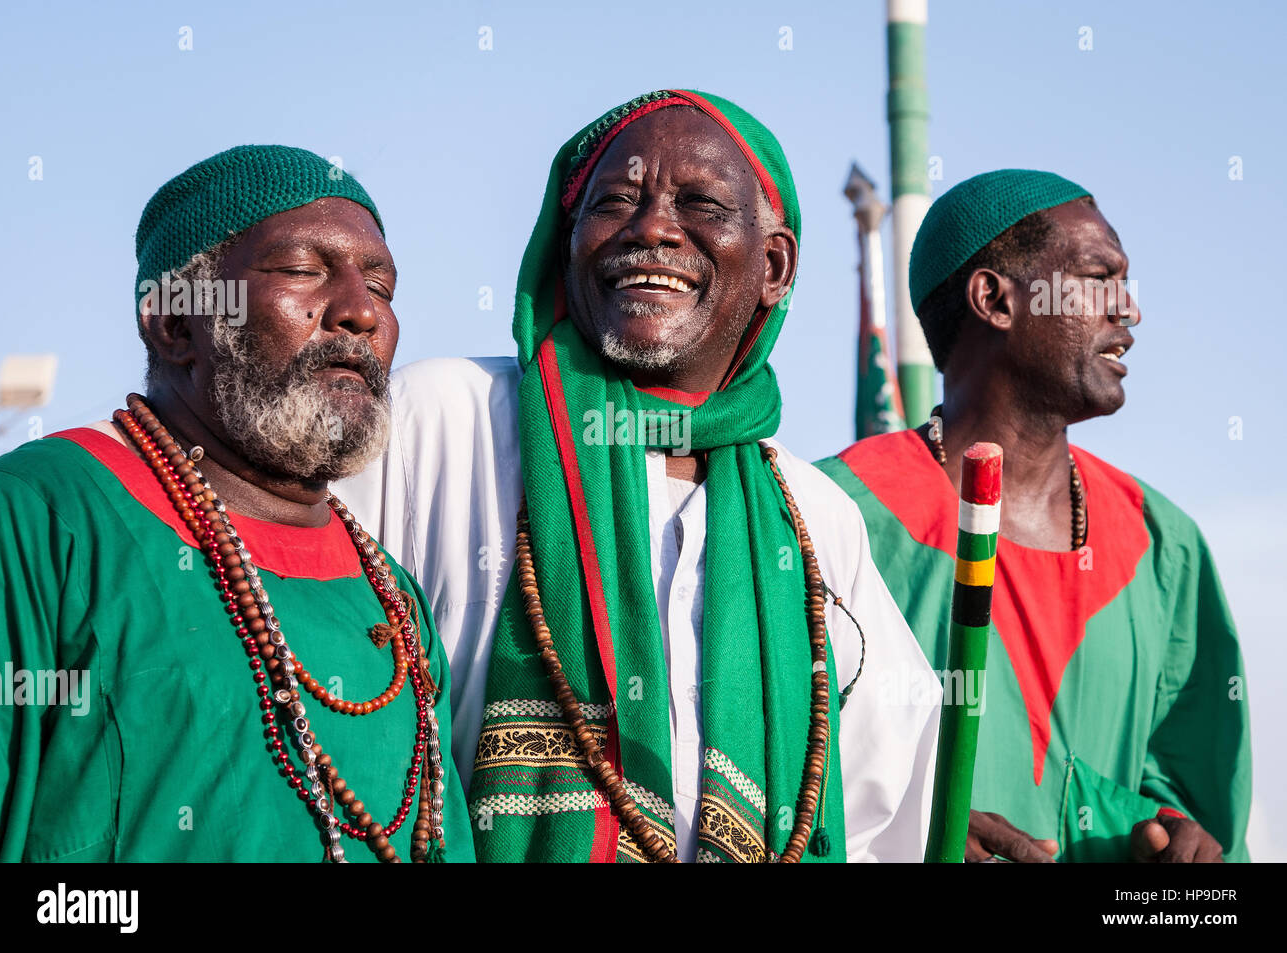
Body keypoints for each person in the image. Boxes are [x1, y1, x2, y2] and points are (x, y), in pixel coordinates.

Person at [336, 90, 940, 863]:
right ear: (566, 243)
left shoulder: (814, 516)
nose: (652, 227)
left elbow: (885, 812)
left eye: (700, 203)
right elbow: (314, 687)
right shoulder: (447, 418)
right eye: (616, 200)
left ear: (774, 267)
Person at [0, 145, 473, 863]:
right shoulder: (38, 514)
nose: (361, 311)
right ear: (177, 325)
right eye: (305, 271)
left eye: (382, 285)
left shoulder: (392, 596)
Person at [816, 169, 1250, 862]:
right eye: (1100, 277)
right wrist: (900, 838)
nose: (1129, 310)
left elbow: (1191, 793)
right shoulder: (832, 517)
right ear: (994, 298)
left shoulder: (1163, 544)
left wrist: (1179, 845)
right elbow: (766, 783)